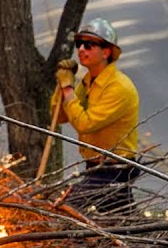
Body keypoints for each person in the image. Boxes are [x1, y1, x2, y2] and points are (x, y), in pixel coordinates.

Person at [49, 18, 141, 213]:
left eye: (89, 44)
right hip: (95, 167)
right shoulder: (89, 81)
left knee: (66, 207)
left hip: (115, 170)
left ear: (106, 52)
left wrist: (67, 88)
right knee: (119, 222)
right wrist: (62, 86)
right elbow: (61, 117)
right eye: (79, 44)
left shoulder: (119, 87)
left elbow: (85, 123)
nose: (82, 49)